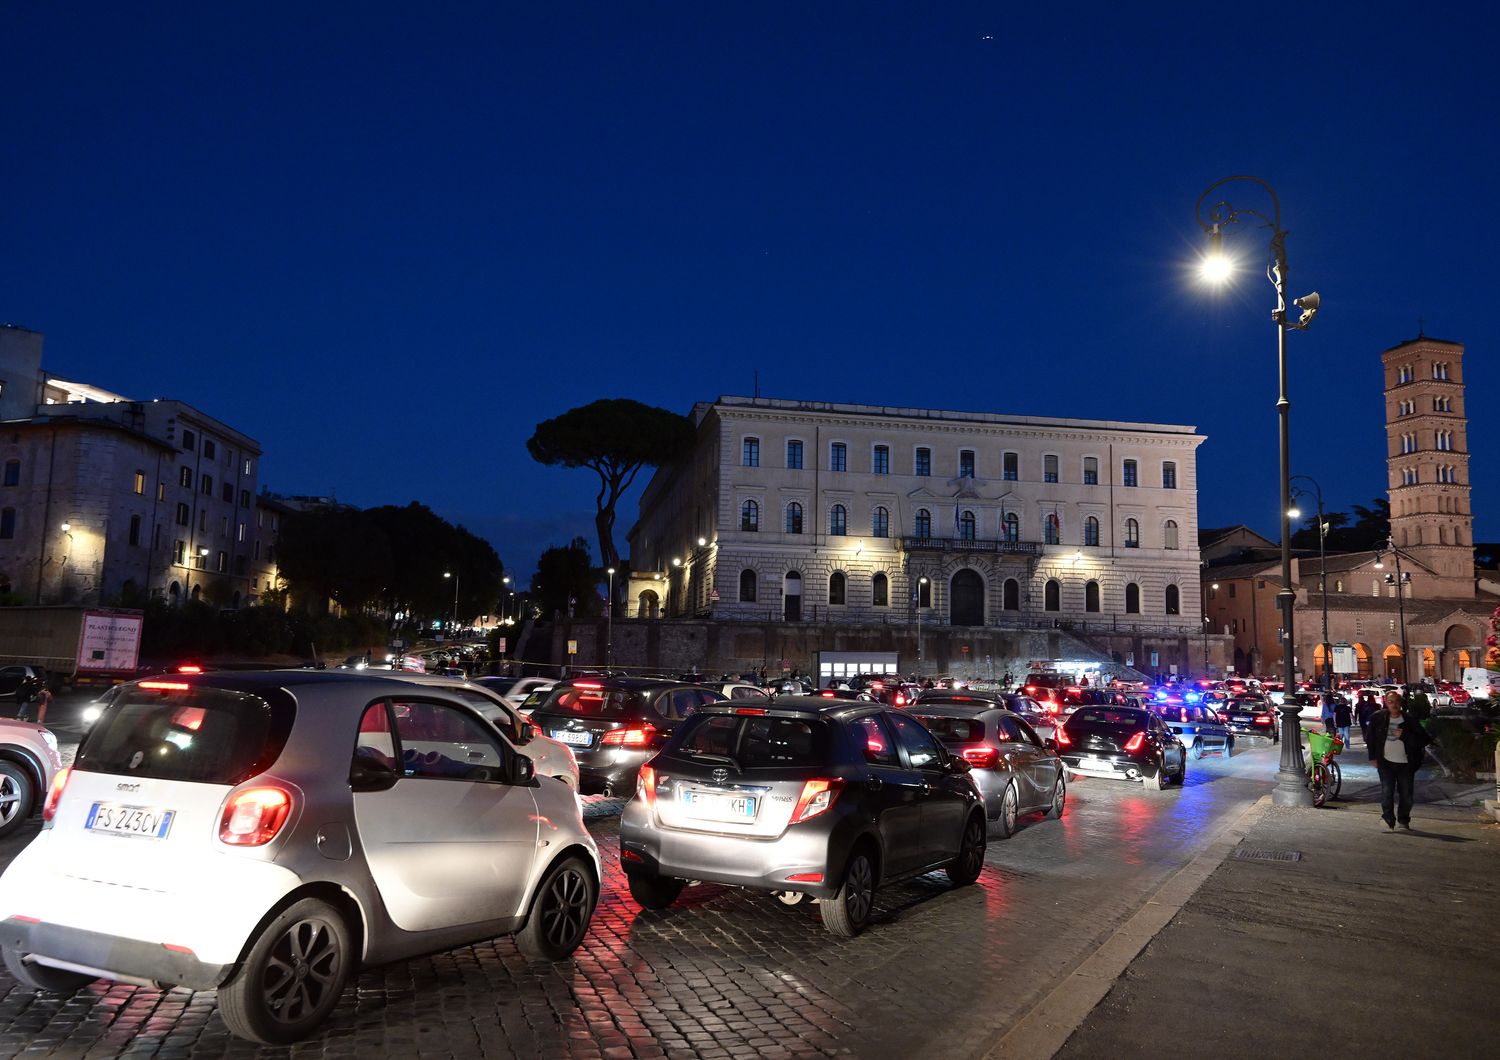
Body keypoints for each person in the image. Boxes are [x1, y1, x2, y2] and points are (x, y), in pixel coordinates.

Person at [1367, 690, 1432, 831]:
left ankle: (1403, 819)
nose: (1393, 705)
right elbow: (1371, 738)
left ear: (1400, 703)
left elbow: (1423, 740)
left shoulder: (1409, 720)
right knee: (1387, 791)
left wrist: (1405, 735)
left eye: (1396, 701)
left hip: (1406, 764)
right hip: (1385, 763)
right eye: (1390, 702)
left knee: (1406, 794)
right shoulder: (1378, 718)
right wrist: (1372, 757)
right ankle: (1388, 819)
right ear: (1385, 703)